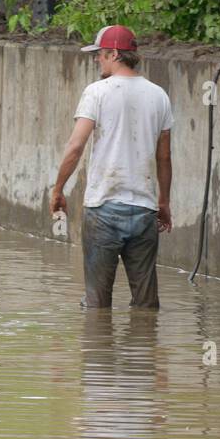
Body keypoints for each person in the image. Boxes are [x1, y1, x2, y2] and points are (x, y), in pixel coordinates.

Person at [50, 25, 173, 309]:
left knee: (96, 305)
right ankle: (143, 349)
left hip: (103, 211)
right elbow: (164, 157)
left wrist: (58, 189)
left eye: (101, 55)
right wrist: (163, 202)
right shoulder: (159, 96)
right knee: (146, 304)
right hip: (144, 211)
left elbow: (75, 147)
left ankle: (98, 349)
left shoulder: (97, 92)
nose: (97, 60)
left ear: (115, 54)